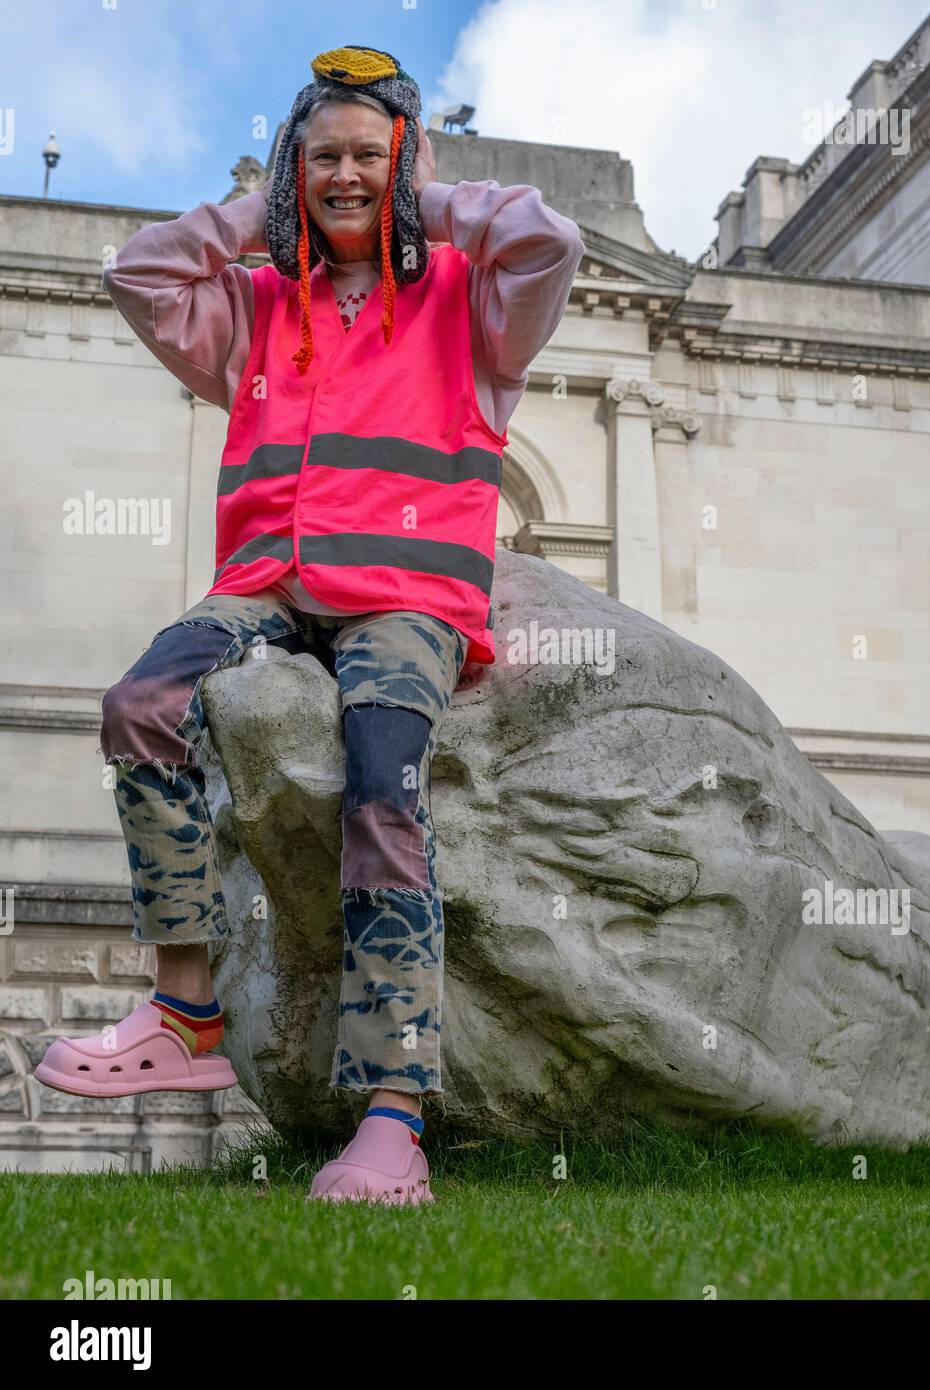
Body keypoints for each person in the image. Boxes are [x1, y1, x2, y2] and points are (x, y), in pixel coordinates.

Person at [33, 44, 585, 1206]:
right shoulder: (253, 303)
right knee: (139, 704)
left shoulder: (474, 305)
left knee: (381, 790)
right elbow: (138, 274)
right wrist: (262, 205)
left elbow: (549, 241)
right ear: (293, 169)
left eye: (365, 157)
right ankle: (185, 1009)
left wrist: (416, 199)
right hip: (264, 590)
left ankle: (393, 1115)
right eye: (321, 157)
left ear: (410, 162)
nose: (344, 176)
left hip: (404, 601)